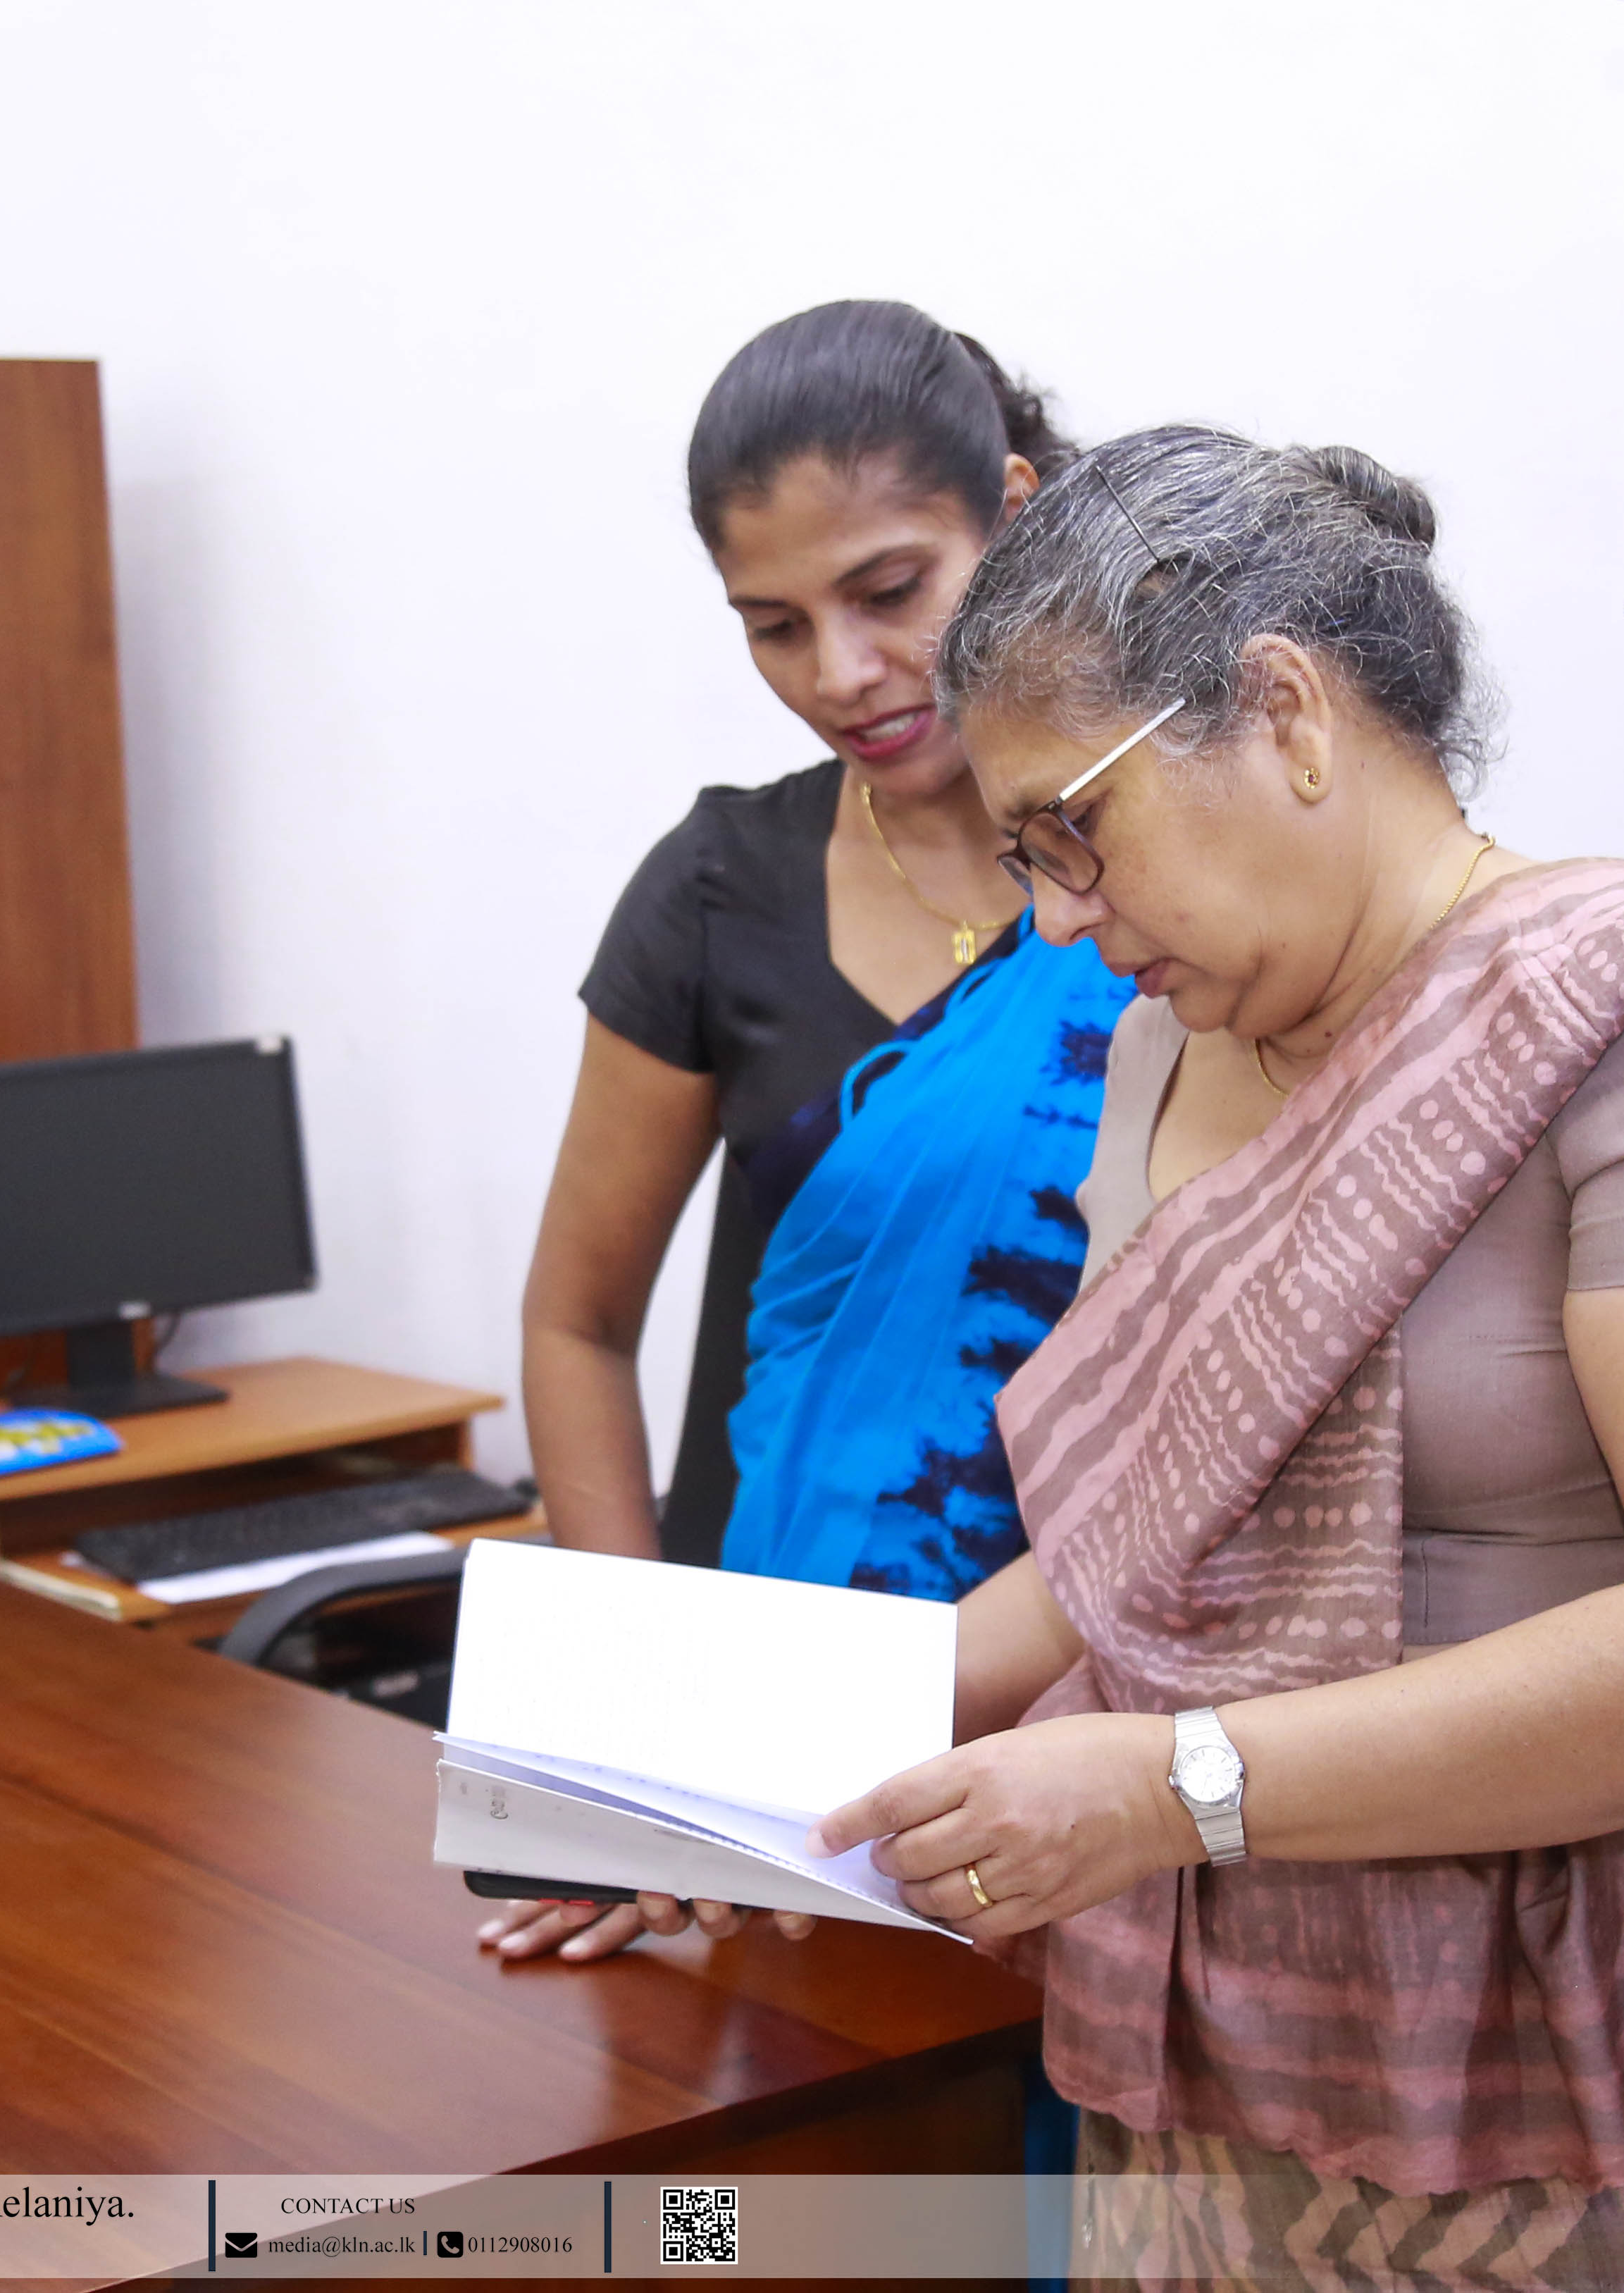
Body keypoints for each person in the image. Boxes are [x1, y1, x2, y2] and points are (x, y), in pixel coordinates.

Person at [802, 426, 1624, 2289]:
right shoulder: (1153, 1051)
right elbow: (1143, 1543)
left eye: (1072, 831)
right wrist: (751, 1758)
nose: (1052, 918)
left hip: (1594, 2078)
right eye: (1016, 852)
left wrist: (1167, 1781)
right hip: (1212, 2070)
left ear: (1282, 713)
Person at [500, 302, 1129, 1967]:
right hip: (780, 1770)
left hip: (1109, 1737)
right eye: (771, 625)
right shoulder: (717, 894)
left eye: (888, 593)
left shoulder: (1159, 867)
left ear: (1013, 506)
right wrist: (628, 1753)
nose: (836, 676)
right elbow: (574, 1319)